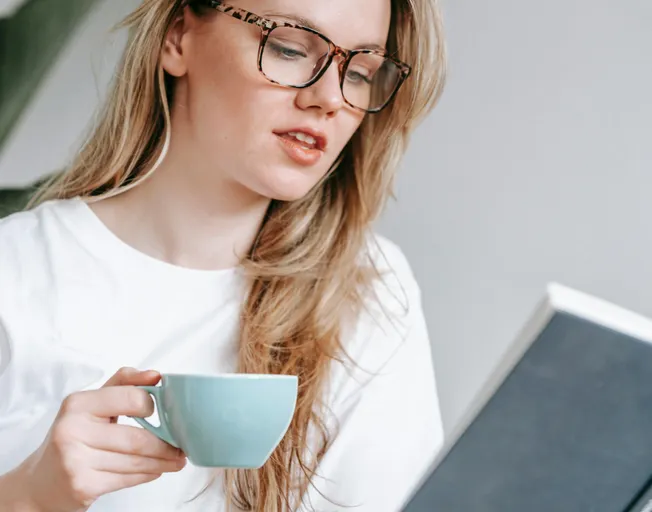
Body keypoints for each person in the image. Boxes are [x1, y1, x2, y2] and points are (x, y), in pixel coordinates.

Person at [0, 0, 447, 510]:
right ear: (177, 37)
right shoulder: (15, 272)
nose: (329, 98)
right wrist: (28, 498)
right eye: (290, 48)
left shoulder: (368, 291)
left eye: (362, 71)